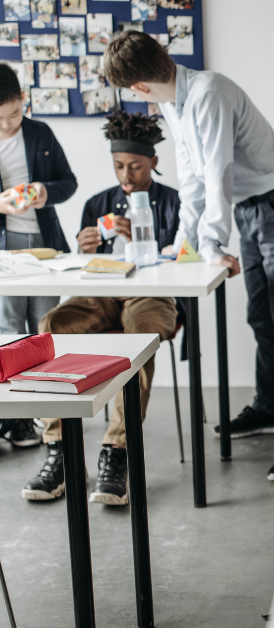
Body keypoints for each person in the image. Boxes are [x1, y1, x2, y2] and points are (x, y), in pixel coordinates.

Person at [103, 31, 274, 483]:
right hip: (249, 209)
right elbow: (192, 180)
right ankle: (269, 409)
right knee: (261, 318)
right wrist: (185, 244)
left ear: (138, 87)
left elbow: (217, 171)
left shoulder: (210, 93)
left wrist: (210, 244)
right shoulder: (173, 101)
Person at [22, 112, 180, 505]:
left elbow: (185, 257)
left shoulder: (174, 201)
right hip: (102, 289)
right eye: (118, 166)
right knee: (52, 325)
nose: (126, 175)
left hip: (153, 293)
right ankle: (59, 449)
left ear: (153, 163)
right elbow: (80, 268)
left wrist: (148, 239)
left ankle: (118, 452)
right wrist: (85, 246)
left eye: (136, 166)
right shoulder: (97, 203)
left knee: (139, 340)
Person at [0, 62, 77, 449]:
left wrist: (45, 192)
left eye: (14, 113)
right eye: (0, 119)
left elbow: (69, 183)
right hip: (4, 250)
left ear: (23, 101)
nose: (9, 124)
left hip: (46, 248)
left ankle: (52, 418)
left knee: (45, 327)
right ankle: (18, 420)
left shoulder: (40, 133)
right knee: (10, 332)